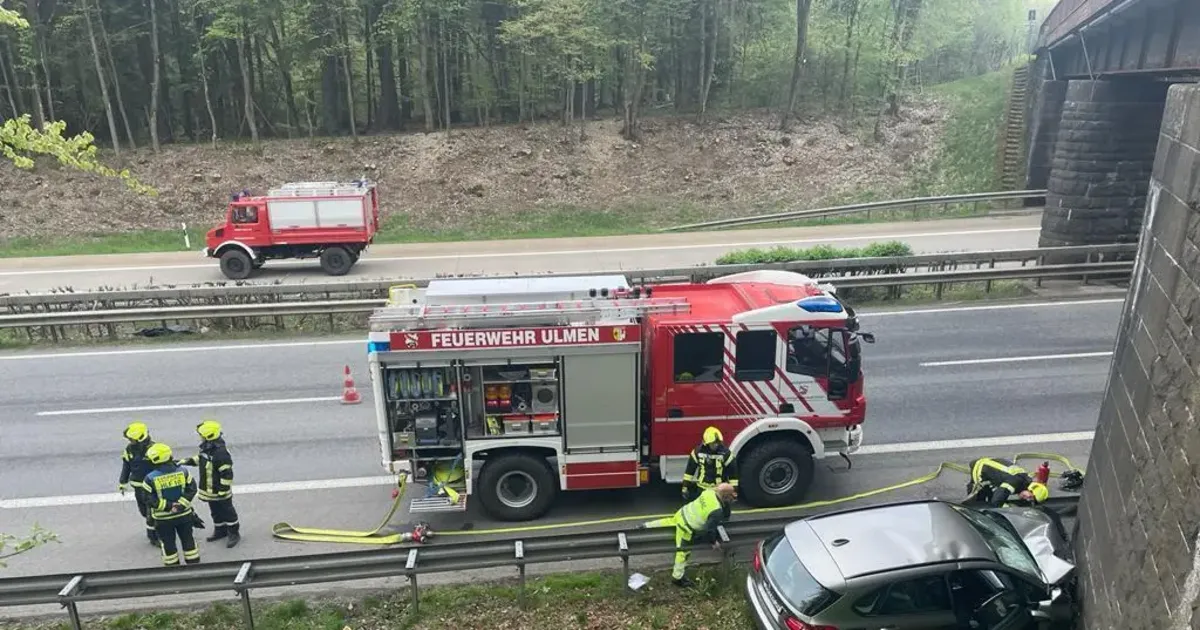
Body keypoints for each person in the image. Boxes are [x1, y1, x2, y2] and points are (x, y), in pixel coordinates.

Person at [637, 482, 737, 587]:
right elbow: (709, 530)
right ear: (725, 497)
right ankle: (677, 578)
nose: (732, 499)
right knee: (683, 553)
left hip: (682, 513)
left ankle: (645, 526)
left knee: (668, 522)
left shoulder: (708, 492)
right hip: (687, 528)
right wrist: (713, 542)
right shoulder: (716, 511)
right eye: (731, 496)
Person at [179, 420, 241, 548]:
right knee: (216, 512)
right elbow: (200, 459)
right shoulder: (208, 447)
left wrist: (223, 490)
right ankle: (220, 530)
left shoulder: (220, 452)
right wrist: (185, 461)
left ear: (208, 436)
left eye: (201, 435)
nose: (200, 437)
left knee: (228, 512)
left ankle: (234, 533)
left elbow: (227, 473)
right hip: (210, 491)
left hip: (219, 491)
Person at [143, 443, 201, 566]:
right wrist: (180, 505)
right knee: (189, 542)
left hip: (163, 519)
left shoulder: (149, 478)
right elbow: (192, 489)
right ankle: (194, 566)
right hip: (184, 515)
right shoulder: (183, 472)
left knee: (168, 545)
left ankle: (173, 570)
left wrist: (169, 506)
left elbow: (148, 499)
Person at [118, 422, 159, 546]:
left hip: (152, 487)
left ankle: (153, 536)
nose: (130, 441)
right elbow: (126, 466)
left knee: (151, 513)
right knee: (144, 512)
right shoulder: (129, 449)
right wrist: (122, 482)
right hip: (138, 486)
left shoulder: (154, 449)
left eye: (132, 439)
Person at [681, 426, 738, 503]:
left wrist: (734, 491)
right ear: (706, 443)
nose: (716, 445)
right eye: (713, 443)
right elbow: (689, 471)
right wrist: (685, 487)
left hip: (719, 490)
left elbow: (733, 474)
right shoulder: (697, 452)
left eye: (717, 443)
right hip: (702, 489)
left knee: (721, 512)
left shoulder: (726, 454)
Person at [966, 457, 1049, 507]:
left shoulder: (1025, 480)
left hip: (993, 473)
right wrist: (1009, 508)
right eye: (1030, 497)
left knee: (991, 495)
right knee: (977, 500)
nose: (1026, 499)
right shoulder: (1016, 482)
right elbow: (997, 500)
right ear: (1031, 489)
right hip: (981, 468)